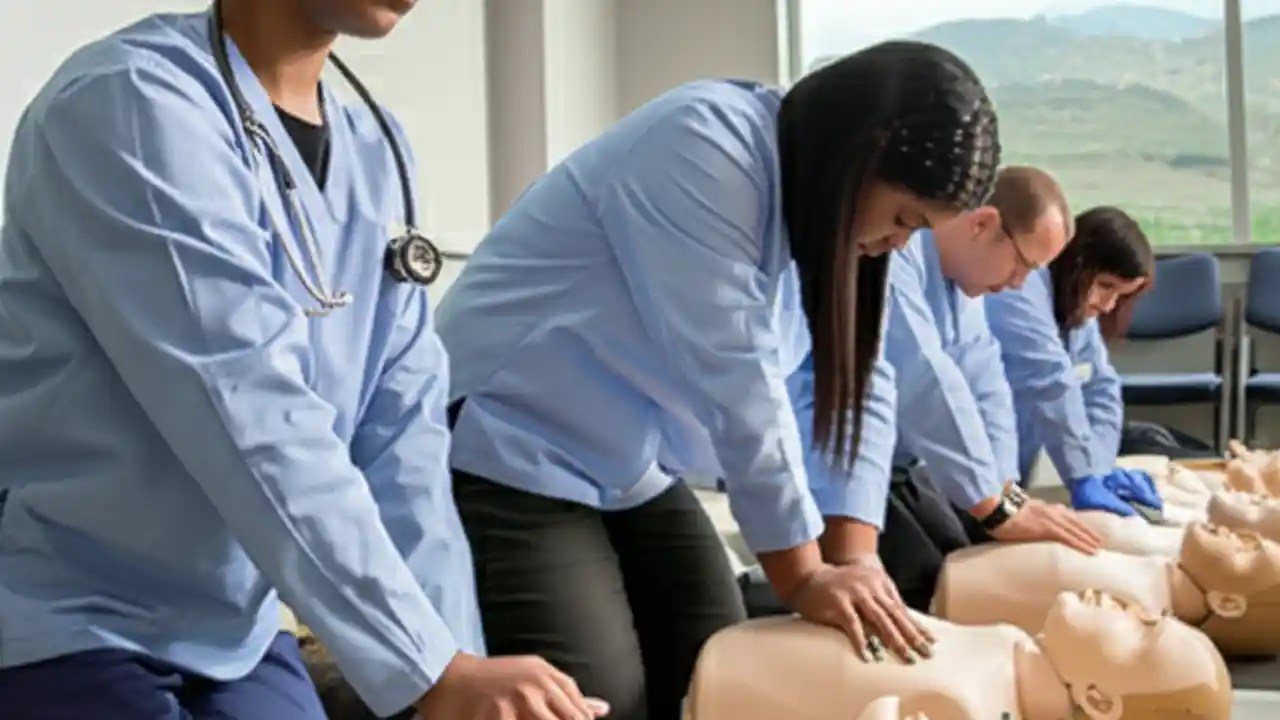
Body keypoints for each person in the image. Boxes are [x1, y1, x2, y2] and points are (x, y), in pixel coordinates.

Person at [0, 2, 604, 719]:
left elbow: (400, 439)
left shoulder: (375, 153)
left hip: (237, 632)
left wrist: (453, 666)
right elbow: (247, 409)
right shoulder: (129, 104)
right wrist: (428, 667)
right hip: (70, 617)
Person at [435, 41, 1001, 720]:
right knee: (600, 698)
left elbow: (852, 381)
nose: (898, 244)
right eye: (904, 219)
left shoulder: (829, 222)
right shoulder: (703, 147)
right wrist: (808, 573)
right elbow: (742, 386)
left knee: (720, 656)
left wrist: (854, 557)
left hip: (630, 461)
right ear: (861, 152)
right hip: (510, 442)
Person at [985, 206, 1165, 521]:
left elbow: (1102, 388)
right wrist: (1082, 476)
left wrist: (1098, 468)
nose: (1108, 306)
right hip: (969, 469)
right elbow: (1050, 381)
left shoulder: (1077, 313)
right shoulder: (1018, 292)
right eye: (1106, 285)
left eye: (1120, 296)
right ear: (1078, 263)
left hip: (1007, 478)